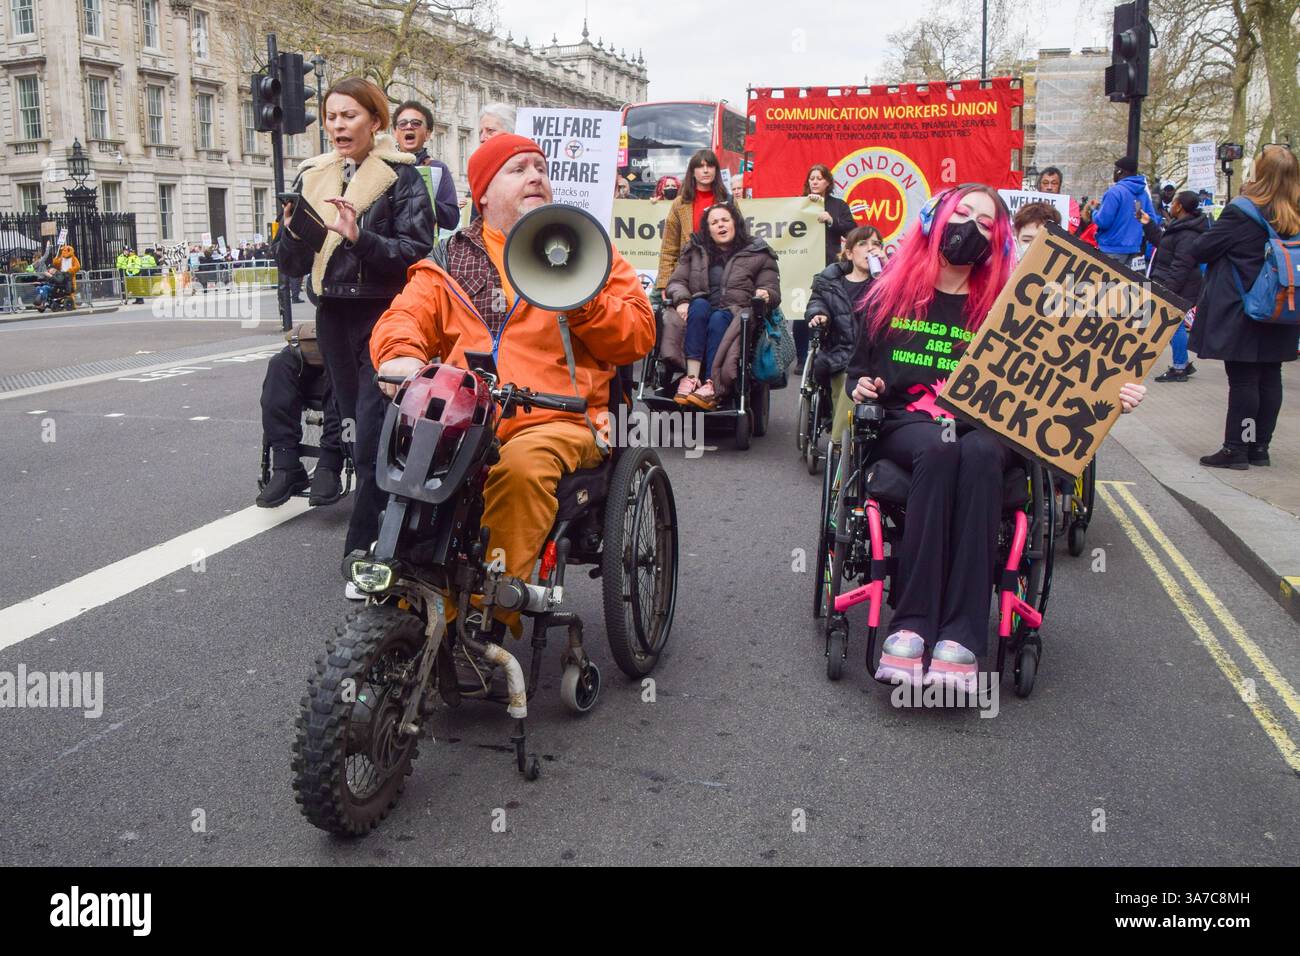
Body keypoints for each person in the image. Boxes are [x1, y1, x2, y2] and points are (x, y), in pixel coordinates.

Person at [846, 184, 1146, 691]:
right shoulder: (889, 296)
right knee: (939, 449)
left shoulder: (1013, 305)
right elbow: (859, 371)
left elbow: (1067, 374)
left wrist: (1115, 394)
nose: (971, 228)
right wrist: (863, 385)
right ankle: (914, 625)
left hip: (988, 425)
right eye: (962, 214)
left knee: (982, 453)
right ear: (935, 219)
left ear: (999, 239)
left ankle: (961, 638)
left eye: (986, 223)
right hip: (909, 423)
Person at [369, 133, 654, 632]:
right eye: (518, 168)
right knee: (402, 459)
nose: (536, 176)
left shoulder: (589, 247)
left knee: (520, 472)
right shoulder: (448, 260)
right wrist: (400, 359)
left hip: (560, 419)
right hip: (468, 416)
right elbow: (404, 319)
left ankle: (485, 619)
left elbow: (637, 336)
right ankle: (406, 606)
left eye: (541, 168)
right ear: (482, 192)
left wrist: (581, 298)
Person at [275, 76, 435, 598]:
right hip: (333, 317)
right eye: (332, 116)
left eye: (350, 115)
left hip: (385, 318)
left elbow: (415, 251)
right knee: (356, 430)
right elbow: (293, 266)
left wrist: (359, 236)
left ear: (376, 121)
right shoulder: (312, 175)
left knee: (371, 436)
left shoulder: (403, 179)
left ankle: (366, 554)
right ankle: (394, 533)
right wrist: (292, 235)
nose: (339, 125)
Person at [1189, 144, 1300, 469]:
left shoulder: (1243, 211)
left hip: (1245, 309)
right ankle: (1259, 447)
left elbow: (1201, 249)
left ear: (1260, 174)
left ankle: (1236, 448)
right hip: (1283, 306)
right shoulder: (1294, 214)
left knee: (1244, 380)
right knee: (1270, 375)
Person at [665, 201, 780, 410]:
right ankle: (691, 378)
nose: (720, 225)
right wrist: (682, 301)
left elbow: (772, 289)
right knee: (698, 304)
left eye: (725, 220)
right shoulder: (696, 251)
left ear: (735, 223)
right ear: (708, 229)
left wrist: (765, 294)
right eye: (714, 222)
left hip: (737, 313)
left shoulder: (758, 253)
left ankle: (711, 383)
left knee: (719, 318)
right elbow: (677, 281)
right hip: (701, 311)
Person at [807, 224, 882, 445]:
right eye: (863, 244)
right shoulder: (830, 282)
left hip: (878, 357)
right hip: (842, 354)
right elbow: (816, 302)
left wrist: (887, 269)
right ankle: (840, 443)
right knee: (848, 381)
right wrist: (819, 314)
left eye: (876, 244)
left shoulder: (886, 282)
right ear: (849, 252)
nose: (871, 249)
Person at [257, 331, 346, 508]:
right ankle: (286, 464)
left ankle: (330, 463)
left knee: (340, 362)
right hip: (325, 337)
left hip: (357, 346)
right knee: (279, 363)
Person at [1138, 190, 1210, 383]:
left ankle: (1179, 367)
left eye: (1175, 202)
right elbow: (1164, 243)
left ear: (1180, 206)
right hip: (1174, 283)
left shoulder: (1187, 233)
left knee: (1173, 326)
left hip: (1178, 286)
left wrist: (1167, 291)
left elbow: (1181, 266)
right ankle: (1182, 364)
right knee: (1172, 325)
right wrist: (1149, 225)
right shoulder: (1182, 227)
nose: (1171, 205)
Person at [653, 149, 731, 299]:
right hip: (687, 276)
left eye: (710, 166)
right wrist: (664, 284)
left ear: (716, 170)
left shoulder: (727, 201)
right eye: (700, 167)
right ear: (693, 172)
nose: (706, 170)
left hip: (722, 275)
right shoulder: (680, 204)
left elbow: (740, 241)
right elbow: (669, 248)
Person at [800, 163, 858, 365]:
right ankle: (801, 359)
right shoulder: (798, 203)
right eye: (812, 178)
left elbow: (852, 233)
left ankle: (826, 351)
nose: (815, 182)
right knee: (801, 309)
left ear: (828, 182)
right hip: (802, 263)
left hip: (828, 264)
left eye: (819, 178)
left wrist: (832, 220)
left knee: (827, 309)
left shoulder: (839, 205)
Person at [393, 100, 462, 233]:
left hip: (424, 250)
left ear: (428, 133)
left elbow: (452, 220)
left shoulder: (439, 169)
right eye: (402, 124)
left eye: (416, 123)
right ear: (395, 132)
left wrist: (424, 199)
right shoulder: (382, 167)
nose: (409, 126)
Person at [1091, 156, 1160, 265]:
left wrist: (1093, 212)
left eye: (1114, 170)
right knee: (1127, 282)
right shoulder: (1144, 194)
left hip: (1111, 249)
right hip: (1134, 250)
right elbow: (1152, 221)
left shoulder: (1114, 192)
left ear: (1119, 171)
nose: (1113, 173)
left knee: (1107, 282)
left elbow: (1103, 222)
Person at [1035, 166, 1081, 233]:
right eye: (1045, 183)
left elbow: (1070, 228)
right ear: (1040, 185)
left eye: (1054, 183)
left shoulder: (1070, 204)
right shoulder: (1030, 202)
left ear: (1059, 186)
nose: (1049, 187)